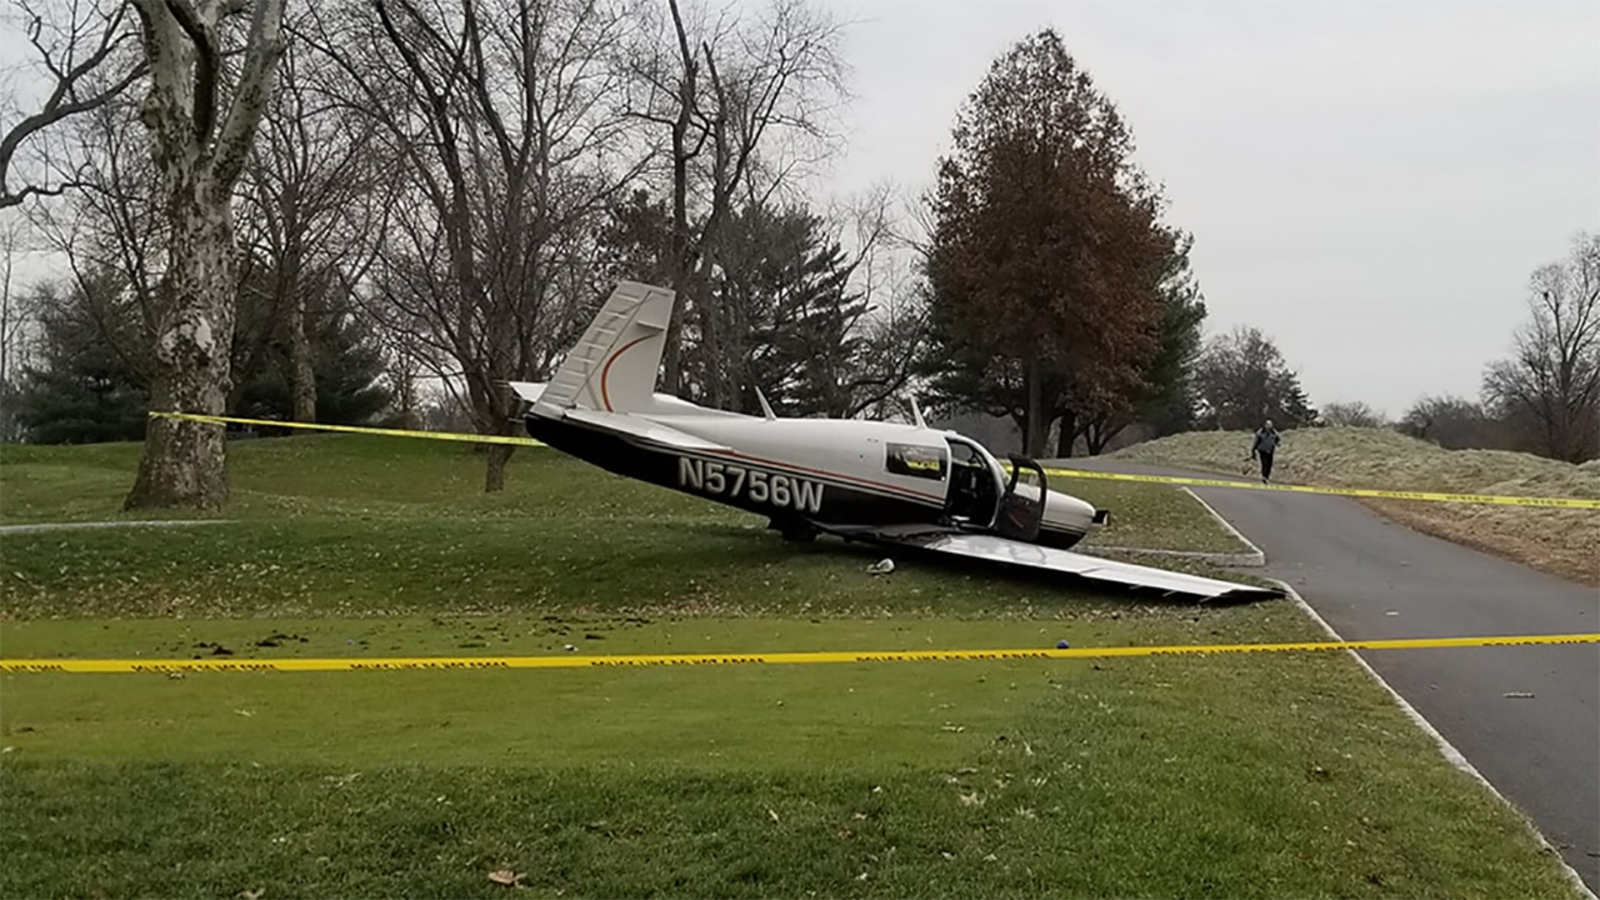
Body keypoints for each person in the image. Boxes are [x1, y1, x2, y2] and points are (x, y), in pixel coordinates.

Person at [1250, 419, 1280, 483]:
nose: (1268, 426)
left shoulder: (1274, 432)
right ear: (1265, 425)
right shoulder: (1260, 432)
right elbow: (1256, 441)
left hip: (1270, 450)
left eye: (1270, 425)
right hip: (1262, 450)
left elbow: (1277, 438)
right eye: (1267, 425)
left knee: (1269, 464)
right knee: (1264, 463)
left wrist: (1276, 444)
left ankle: (1267, 477)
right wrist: (1253, 450)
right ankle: (1264, 476)